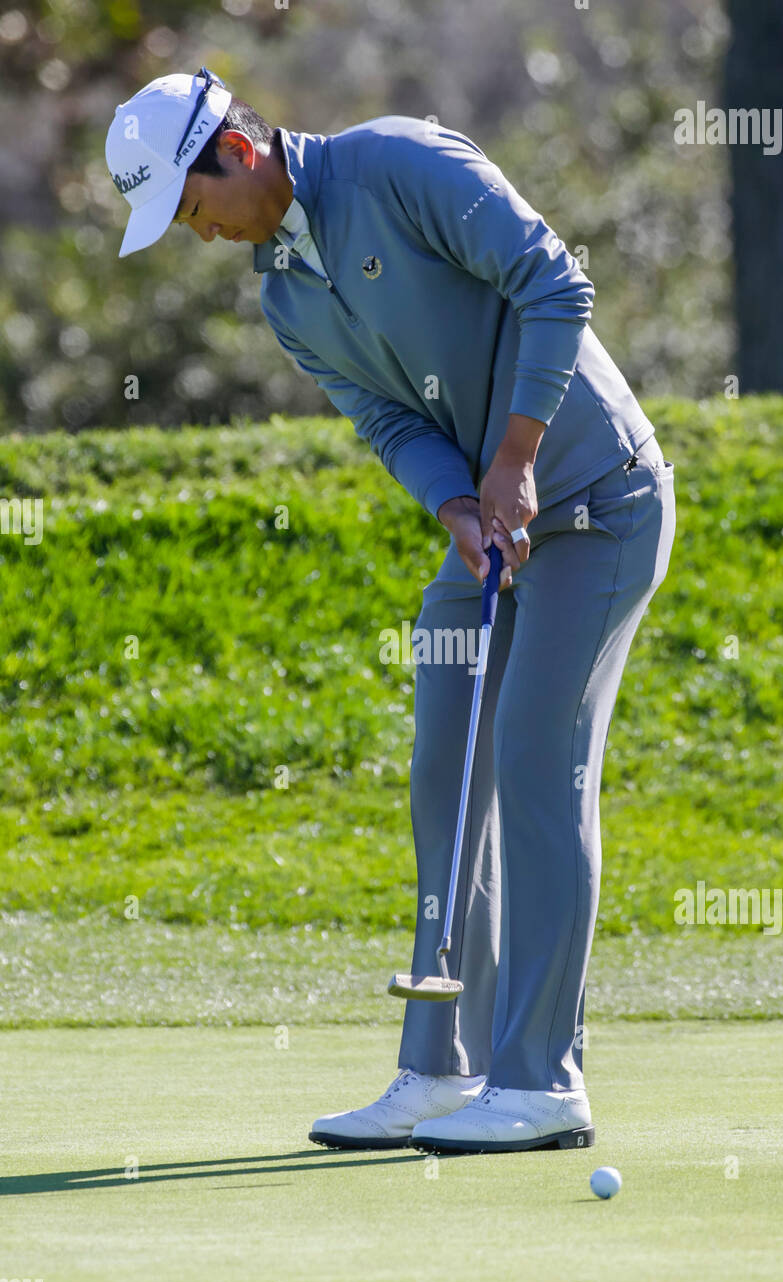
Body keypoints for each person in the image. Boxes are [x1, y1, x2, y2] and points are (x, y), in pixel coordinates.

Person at [106, 68, 676, 1155]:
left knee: (528, 755)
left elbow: (552, 283)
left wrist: (512, 456)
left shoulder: (399, 160)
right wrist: (456, 501)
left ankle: (542, 1082)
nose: (203, 236)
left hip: (599, 498)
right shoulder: (286, 293)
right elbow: (384, 416)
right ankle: (437, 1068)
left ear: (232, 150)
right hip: (495, 526)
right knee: (441, 768)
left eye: (191, 209)